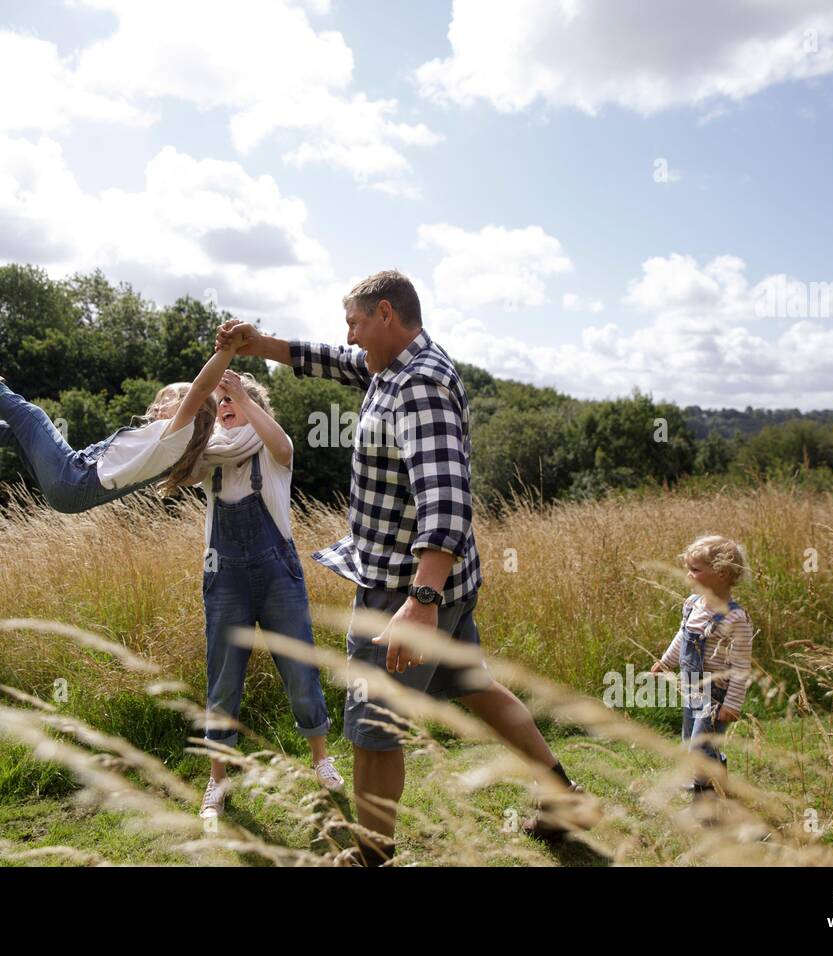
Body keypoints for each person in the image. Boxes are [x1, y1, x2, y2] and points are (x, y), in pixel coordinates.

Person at [215, 270, 580, 864]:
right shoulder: (391, 366)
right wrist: (262, 345)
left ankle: (373, 853)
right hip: (436, 585)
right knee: (473, 685)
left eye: (356, 322)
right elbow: (335, 360)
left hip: (405, 589)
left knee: (372, 723)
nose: (350, 336)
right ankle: (565, 798)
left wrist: (422, 602)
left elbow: (446, 496)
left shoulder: (420, 385)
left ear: (386, 313)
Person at [191, 370, 343, 820]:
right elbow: (180, 464)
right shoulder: (208, 458)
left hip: (278, 575)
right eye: (219, 402)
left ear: (251, 405)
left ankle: (321, 761)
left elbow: (284, 446)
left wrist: (239, 390)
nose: (224, 406)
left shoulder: (274, 454)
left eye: (232, 400)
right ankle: (217, 781)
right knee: (222, 681)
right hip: (226, 580)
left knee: (301, 672)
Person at [0, 325, 238, 509]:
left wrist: (226, 350)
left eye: (167, 400)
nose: (157, 407)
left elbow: (200, 388)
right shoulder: (172, 447)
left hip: (74, 479)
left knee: (31, 415)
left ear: (189, 410)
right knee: (16, 433)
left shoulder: (177, 433)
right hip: (72, 488)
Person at [651, 534, 755, 799]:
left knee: (700, 748)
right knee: (692, 743)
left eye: (695, 570)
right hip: (692, 689)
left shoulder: (735, 618)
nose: (688, 574)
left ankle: (709, 800)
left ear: (721, 573)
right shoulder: (692, 605)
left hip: (716, 696)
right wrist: (666, 662)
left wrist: (732, 704)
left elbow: (741, 665)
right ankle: (710, 782)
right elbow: (682, 637)